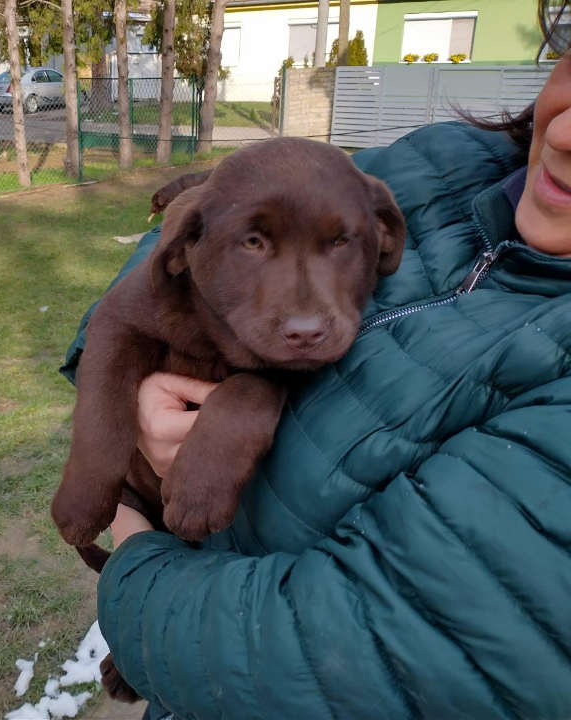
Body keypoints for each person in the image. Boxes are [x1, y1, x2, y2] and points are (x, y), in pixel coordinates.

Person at [59, 3, 571, 717]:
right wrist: (126, 416)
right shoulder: (447, 162)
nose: (568, 133)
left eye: (342, 246)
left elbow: (346, 658)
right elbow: (185, 253)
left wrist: (136, 551)